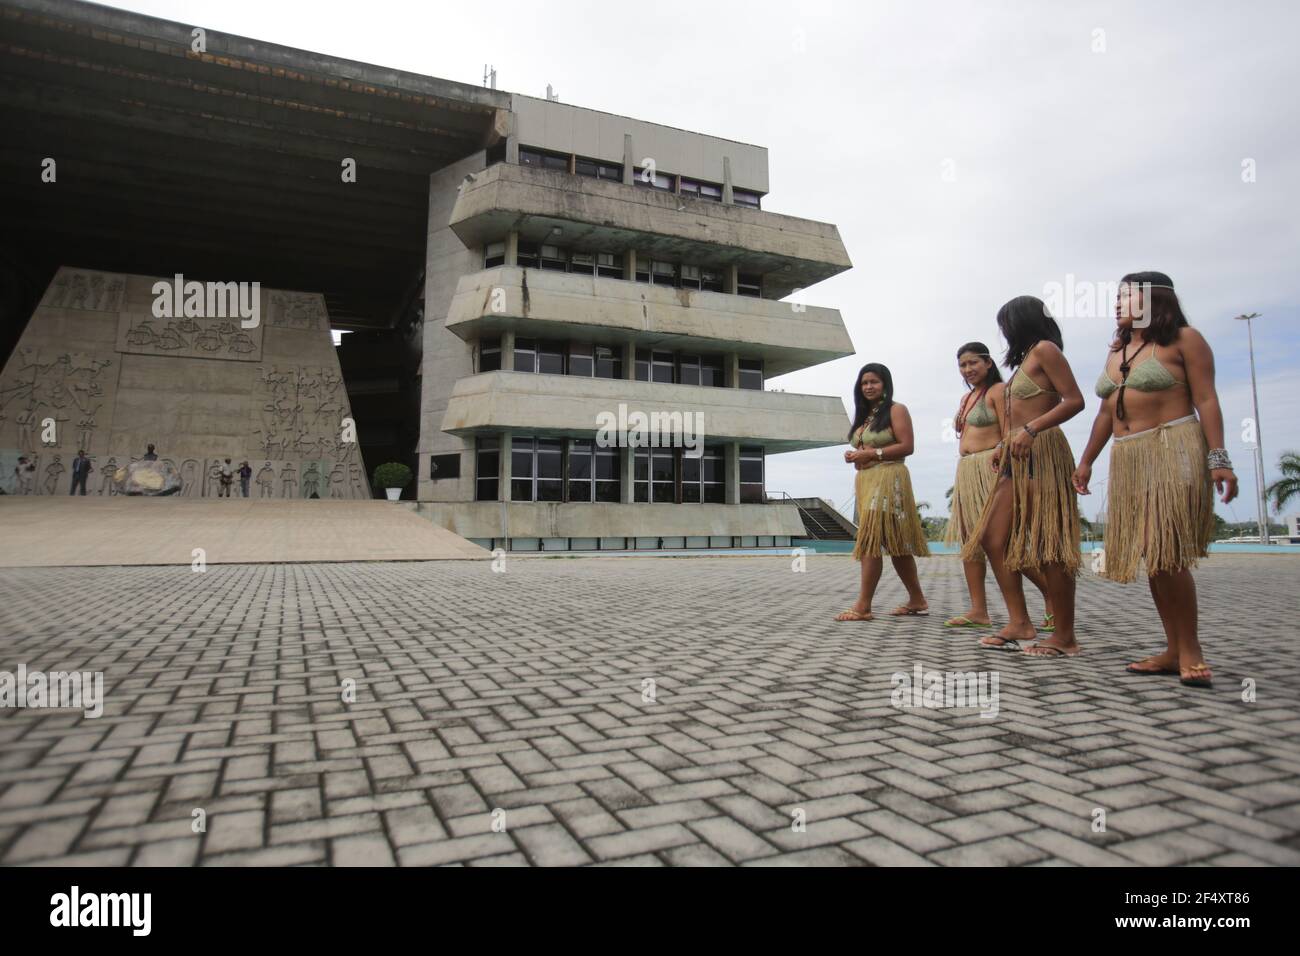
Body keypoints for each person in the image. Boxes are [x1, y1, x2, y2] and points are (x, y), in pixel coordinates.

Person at [1073, 273, 1236, 688]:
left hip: (1173, 446)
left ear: (1153, 300)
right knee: (1152, 552)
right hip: (1128, 457)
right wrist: (1087, 460)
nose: (1117, 304)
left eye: (1127, 297)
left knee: (1166, 550)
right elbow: (1106, 413)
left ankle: (1192, 649)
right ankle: (1172, 648)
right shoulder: (1118, 350)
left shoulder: (1185, 339)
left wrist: (1219, 457)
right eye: (1117, 297)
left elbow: (1206, 398)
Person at [960, 297, 1085, 656]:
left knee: (1050, 545)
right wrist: (1006, 442)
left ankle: (1065, 637)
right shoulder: (1023, 362)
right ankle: (1020, 621)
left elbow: (1074, 400)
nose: (1003, 332)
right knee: (992, 537)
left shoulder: (1046, 350)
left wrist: (1031, 429)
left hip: (1043, 451)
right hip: (1015, 455)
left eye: (1005, 324)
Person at [835, 363, 930, 621]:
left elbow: (907, 446)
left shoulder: (897, 410)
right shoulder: (865, 415)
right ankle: (917, 598)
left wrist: (871, 453)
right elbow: (865, 451)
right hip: (866, 480)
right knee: (895, 543)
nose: (868, 387)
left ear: (885, 384)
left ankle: (863, 606)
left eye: (874, 382)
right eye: (864, 383)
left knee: (870, 540)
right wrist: (856, 456)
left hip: (890, 478)